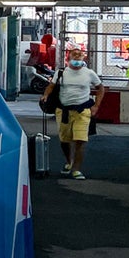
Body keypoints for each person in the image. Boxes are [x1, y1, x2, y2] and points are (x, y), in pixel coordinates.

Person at [41, 47, 105, 179]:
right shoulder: (61, 72)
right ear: (68, 58)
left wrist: (96, 106)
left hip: (82, 111)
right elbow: (51, 86)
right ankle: (69, 161)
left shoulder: (89, 73)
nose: (77, 57)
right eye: (74, 55)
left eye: (80, 55)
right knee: (64, 140)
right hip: (63, 111)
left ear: (83, 58)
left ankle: (76, 169)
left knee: (80, 140)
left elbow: (100, 88)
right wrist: (45, 95)